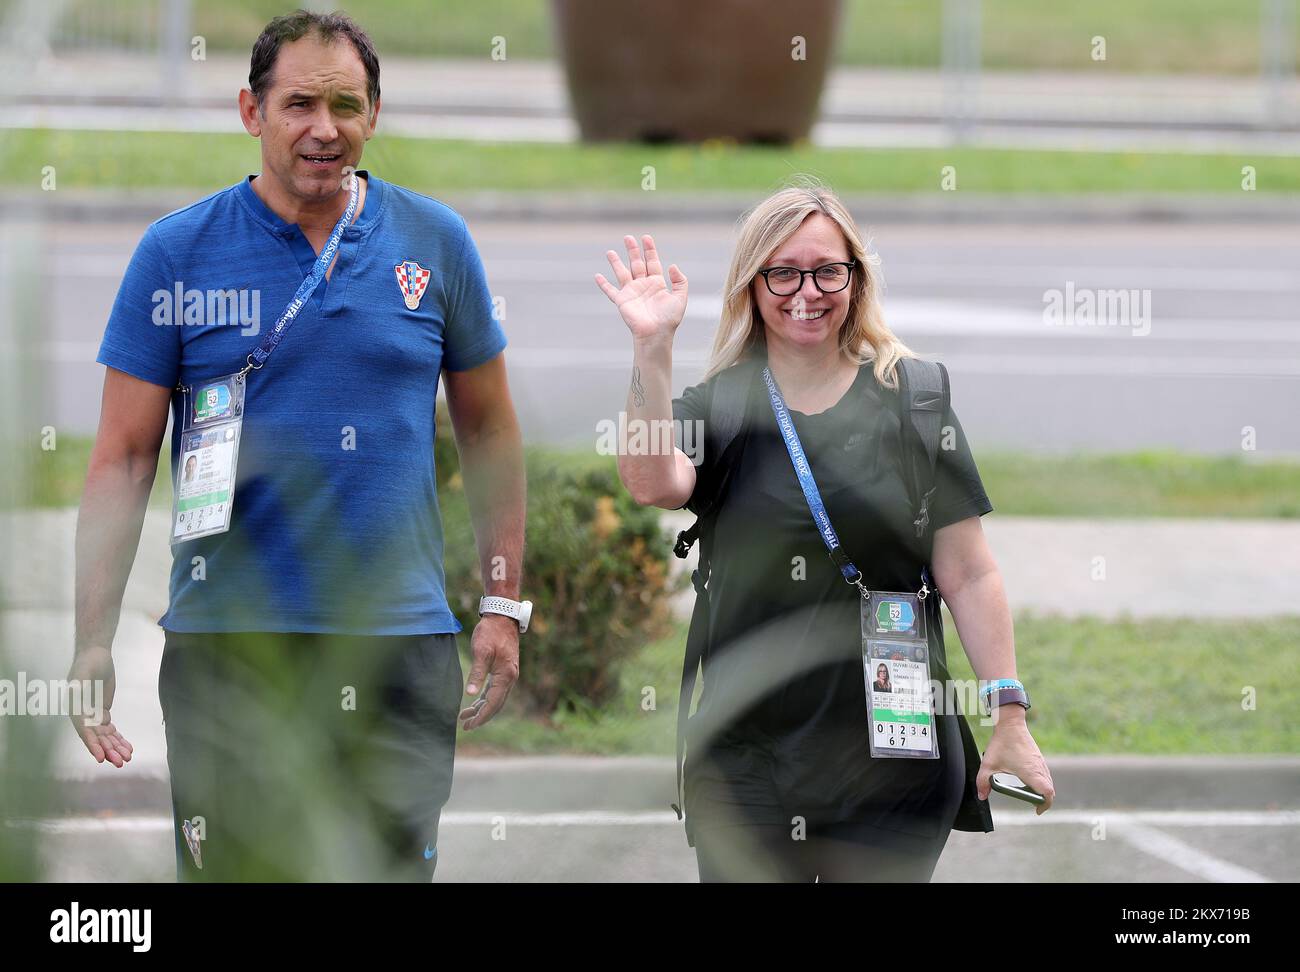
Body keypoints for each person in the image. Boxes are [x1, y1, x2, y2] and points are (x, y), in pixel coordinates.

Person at [69, 10, 529, 881]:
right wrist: (92, 636)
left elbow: (491, 432)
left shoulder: (435, 243)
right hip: (230, 648)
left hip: (399, 645)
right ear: (251, 110)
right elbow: (123, 458)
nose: (326, 129)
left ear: (375, 113)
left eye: (347, 106)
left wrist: (504, 604)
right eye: (300, 104)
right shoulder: (176, 254)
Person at [597, 181, 1054, 883]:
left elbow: (969, 572)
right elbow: (652, 482)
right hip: (744, 759)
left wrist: (1010, 714)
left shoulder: (915, 399)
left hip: (894, 757)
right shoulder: (722, 406)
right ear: (752, 285)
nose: (805, 292)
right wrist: (652, 349)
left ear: (855, 278)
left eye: (826, 271)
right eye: (782, 271)